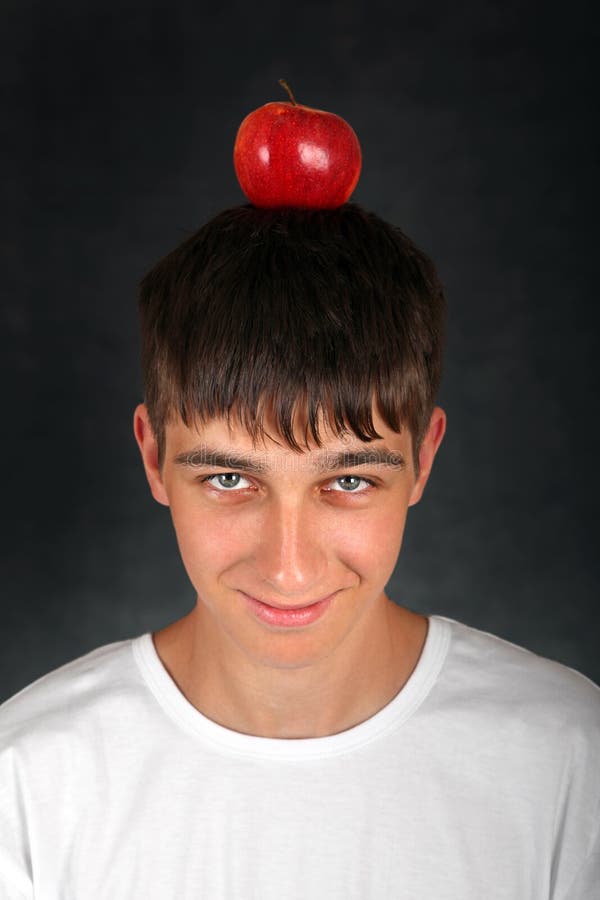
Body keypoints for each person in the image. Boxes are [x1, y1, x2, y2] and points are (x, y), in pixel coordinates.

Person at [0, 203, 598, 899]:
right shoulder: (25, 782)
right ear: (155, 457)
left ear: (423, 458)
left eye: (348, 480)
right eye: (230, 479)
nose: (289, 568)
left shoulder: (571, 763)